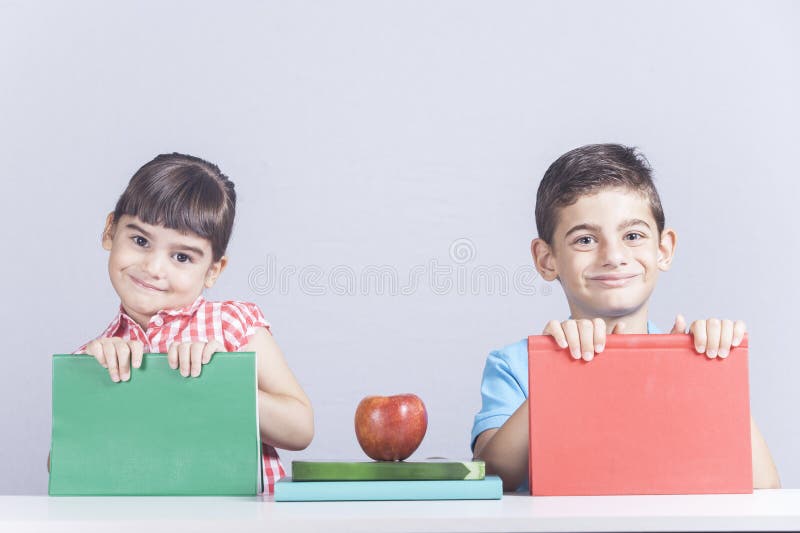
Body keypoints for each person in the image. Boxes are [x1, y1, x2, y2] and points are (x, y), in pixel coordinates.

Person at [471, 144, 780, 492]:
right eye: (585, 240)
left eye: (632, 236)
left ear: (663, 249)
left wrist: (716, 378)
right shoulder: (515, 365)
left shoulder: (692, 362)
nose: (614, 256)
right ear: (546, 260)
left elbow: (767, 489)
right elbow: (493, 475)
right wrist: (559, 373)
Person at [74, 153, 313, 494]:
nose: (154, 267)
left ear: (213, 270)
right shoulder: (94, 357)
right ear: (110, 231)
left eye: (181, 256)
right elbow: (63, 465)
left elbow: (301, 428)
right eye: (140, 240)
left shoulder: (233, 326)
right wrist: (93, 386)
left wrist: (223, 382)